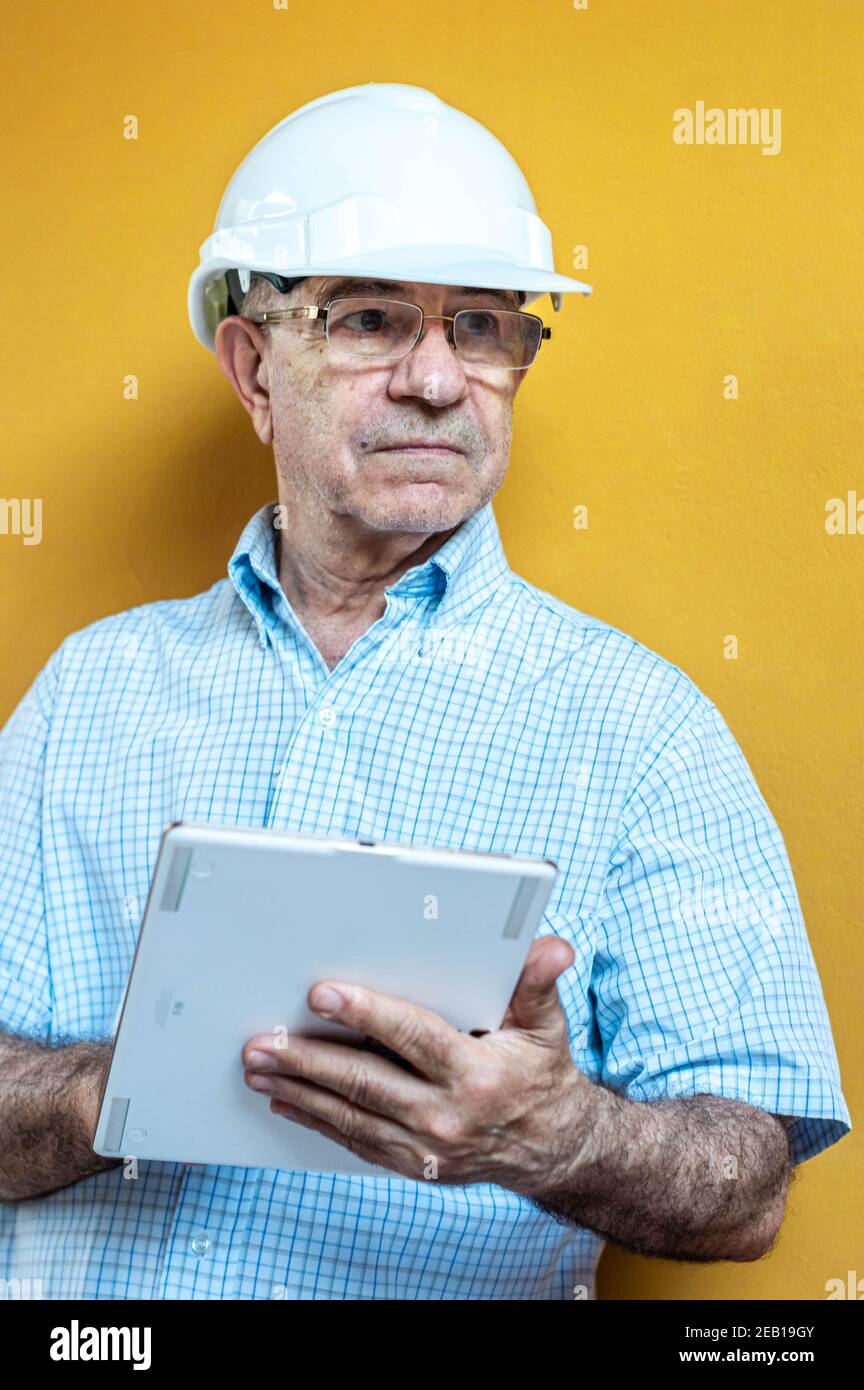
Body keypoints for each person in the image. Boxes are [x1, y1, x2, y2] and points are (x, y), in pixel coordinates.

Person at [0, 83, 850, 1300]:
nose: (438, 381)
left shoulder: (643, 727)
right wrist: (119, 1084)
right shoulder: (88, 693)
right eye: (368, 319)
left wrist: (555, 1134)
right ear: (252, 367)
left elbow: (749, 1180)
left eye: (487, 328)